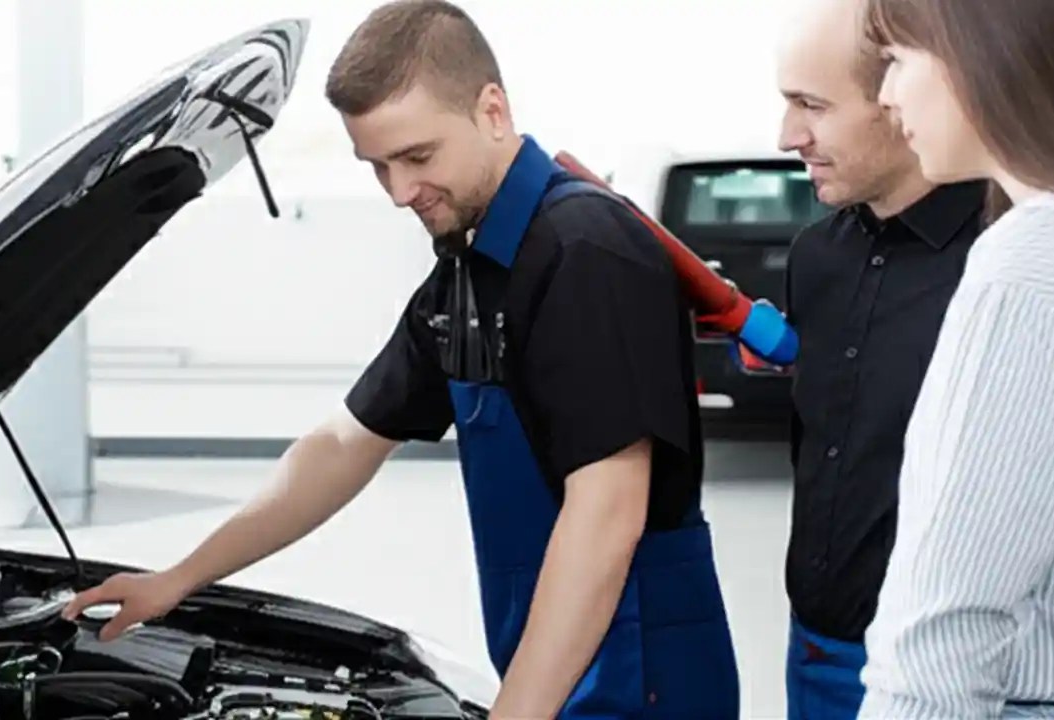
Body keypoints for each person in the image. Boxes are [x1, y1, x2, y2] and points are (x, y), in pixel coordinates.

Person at [63, 1, 740, 716]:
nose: (398, 193)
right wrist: (179, 578)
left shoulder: (585, 253)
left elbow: (605, 516)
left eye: (417, 157)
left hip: (639, 669)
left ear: (493, 111)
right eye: (377, 166)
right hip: (556, 658)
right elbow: (342, 443)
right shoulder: (466, 270)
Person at [773, 0, 990, 716]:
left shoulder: (1002, 266)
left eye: (811, 106)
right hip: (813, 649)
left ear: (899, 96)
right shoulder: (813, 258)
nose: (786, 136)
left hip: (949, 679)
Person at [853, 0, 1054, 717]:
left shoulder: (1029, 264)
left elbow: (945, 623)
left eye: (897, 59)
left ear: (981, 50)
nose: (885, 96)